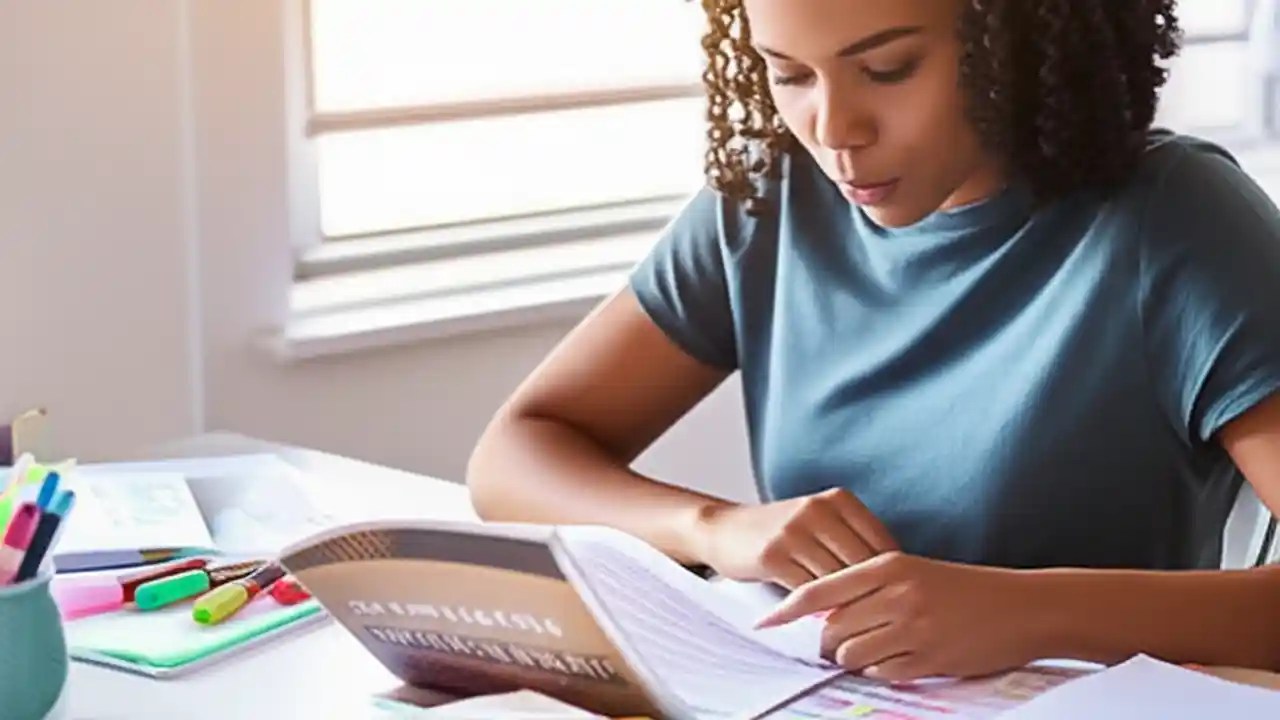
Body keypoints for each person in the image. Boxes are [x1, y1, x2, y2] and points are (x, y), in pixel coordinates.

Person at [467, 0, 1280, 681]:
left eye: (888, 69)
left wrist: (1030, 611)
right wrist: (715, 529)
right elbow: (515, 456)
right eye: (788, 74)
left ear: (1017, 31)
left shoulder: (1177, 223)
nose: (835, 128)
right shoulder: (769, 203)